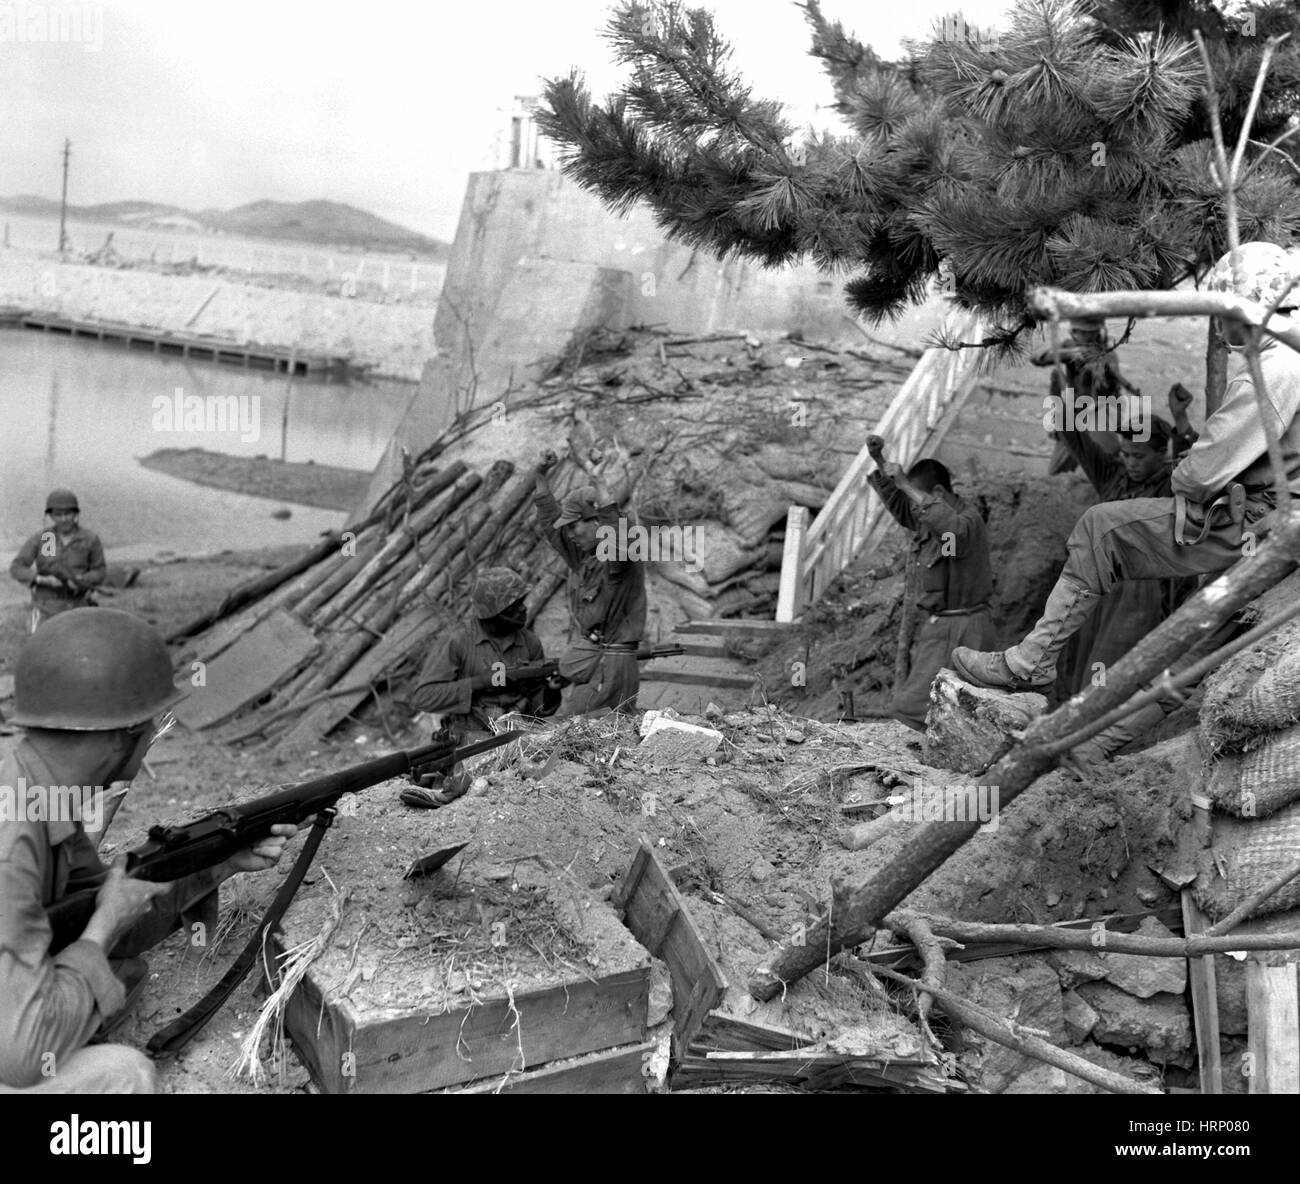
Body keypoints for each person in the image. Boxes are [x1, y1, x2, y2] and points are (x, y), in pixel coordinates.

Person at [953, 241, 1300, 702]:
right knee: (1189, 650)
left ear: (1244, 306)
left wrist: (1185, 469)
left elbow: (1197, 477)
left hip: (1260, 520)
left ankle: (1030, 663)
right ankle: (1096, 748)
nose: (1220, 323)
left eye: (1222, 308)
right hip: (1264, 520)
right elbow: (1086, 428)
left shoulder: (1273, 367)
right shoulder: (1288, 356)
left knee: (1100, 528)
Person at [0, 609, 299, 1094]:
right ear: (127, 733)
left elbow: (106, 914)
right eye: (152, 723)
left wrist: (220, 861)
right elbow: (22, 1058)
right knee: (125, 1074)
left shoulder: (35, 790)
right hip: (13, 1046)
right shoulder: (13, 842)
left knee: (122, 976)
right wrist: (102, 929)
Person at [1052, 388, 1200, 696]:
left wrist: (1181, 418)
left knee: (1111, 665)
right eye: (1126, 455)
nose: (1131, 463)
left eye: (1139, 456)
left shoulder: (1172, 484)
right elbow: (1077, 440)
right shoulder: (1112, 476)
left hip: (1139, 593)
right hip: (1098, 585)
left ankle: (1096, 728)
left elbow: (1199, 464)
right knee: (1078, 657)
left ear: (1163, 454)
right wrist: (1074, 399)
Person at [401, 567, 560, 809]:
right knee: (464, 788)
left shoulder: (529, 643)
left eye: (522, 602)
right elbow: (424, 697)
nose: (523, 609)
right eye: (513, 605)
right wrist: (479, 683)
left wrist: (551, 691)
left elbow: (538, 708)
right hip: (470, 739)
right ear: (492, 611)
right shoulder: (458, 641)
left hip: (516, 739)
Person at [865, 434, 995, 730]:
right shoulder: (929, 516)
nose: (916, 511)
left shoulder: (965, 521)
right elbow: (903, 507)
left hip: (963, 630)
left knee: (911, 710)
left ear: (937, 492)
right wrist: (880, 460)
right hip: (941, 629)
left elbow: (949, 530)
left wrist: (909, 488)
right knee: (941, 713)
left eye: (919, 501)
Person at [532, 451, 647, 716]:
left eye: (574, 527)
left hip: (610, 669)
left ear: (597, 522)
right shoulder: (585, 556)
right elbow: (551, 524)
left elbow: (618, 534)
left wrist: (600, 484)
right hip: (594, 664)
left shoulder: (618, 558)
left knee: (580, 739)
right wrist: (540, 475)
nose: (569, 535)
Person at [9, 489, 106, 633]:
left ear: (76, 514)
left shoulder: (89, 539)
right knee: (38, 647)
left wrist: (82, 580)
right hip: (45, 606)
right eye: (58, 515)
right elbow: (17, 568)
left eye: (68, 514)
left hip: (78, 605)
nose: (64, 519)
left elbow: (100, 571)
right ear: (50, 516)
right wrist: (41, 579)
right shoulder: (44, 537)